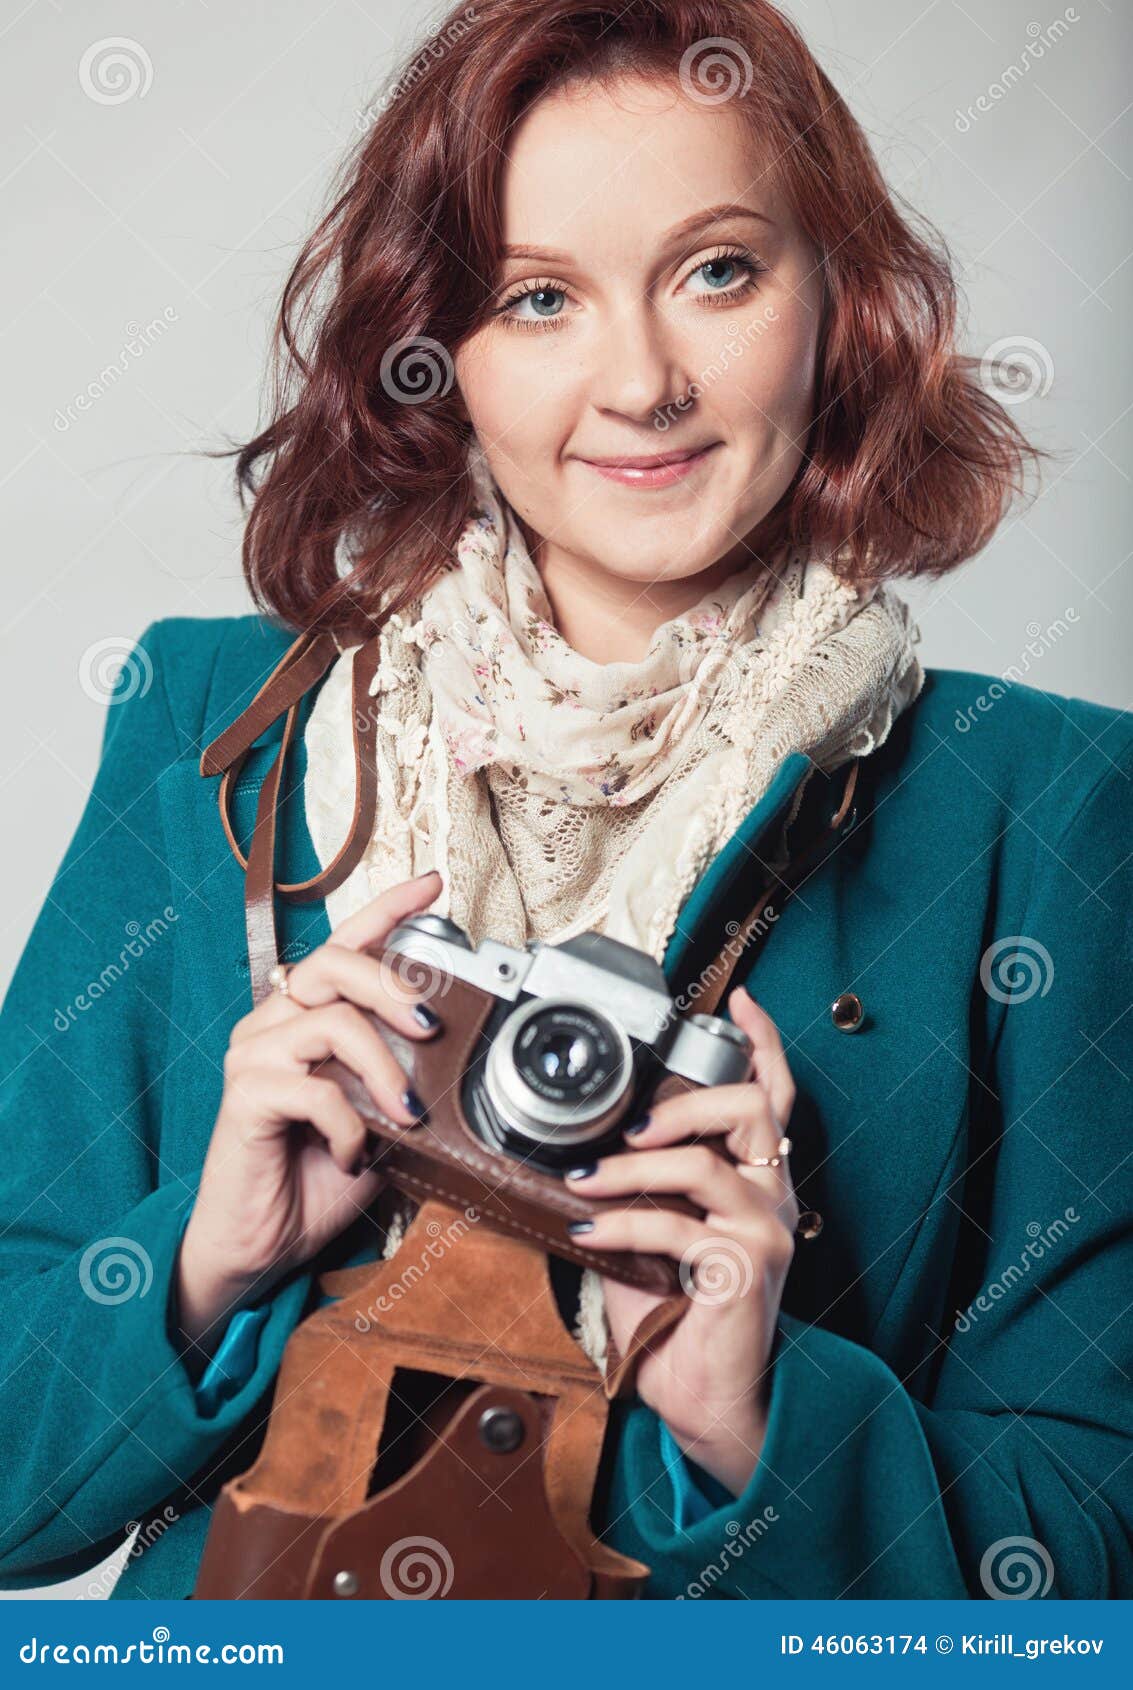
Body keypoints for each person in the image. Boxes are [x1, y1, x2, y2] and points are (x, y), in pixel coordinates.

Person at [1, 0, 1129, 1601]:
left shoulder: (1046, 806)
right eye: (538, 299)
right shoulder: (214, 731)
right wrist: (201, 1260)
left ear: (841, 303)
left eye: (718, 271)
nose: (645, 382)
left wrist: (757, 1409)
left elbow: (1085, 1563)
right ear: (437, 355)